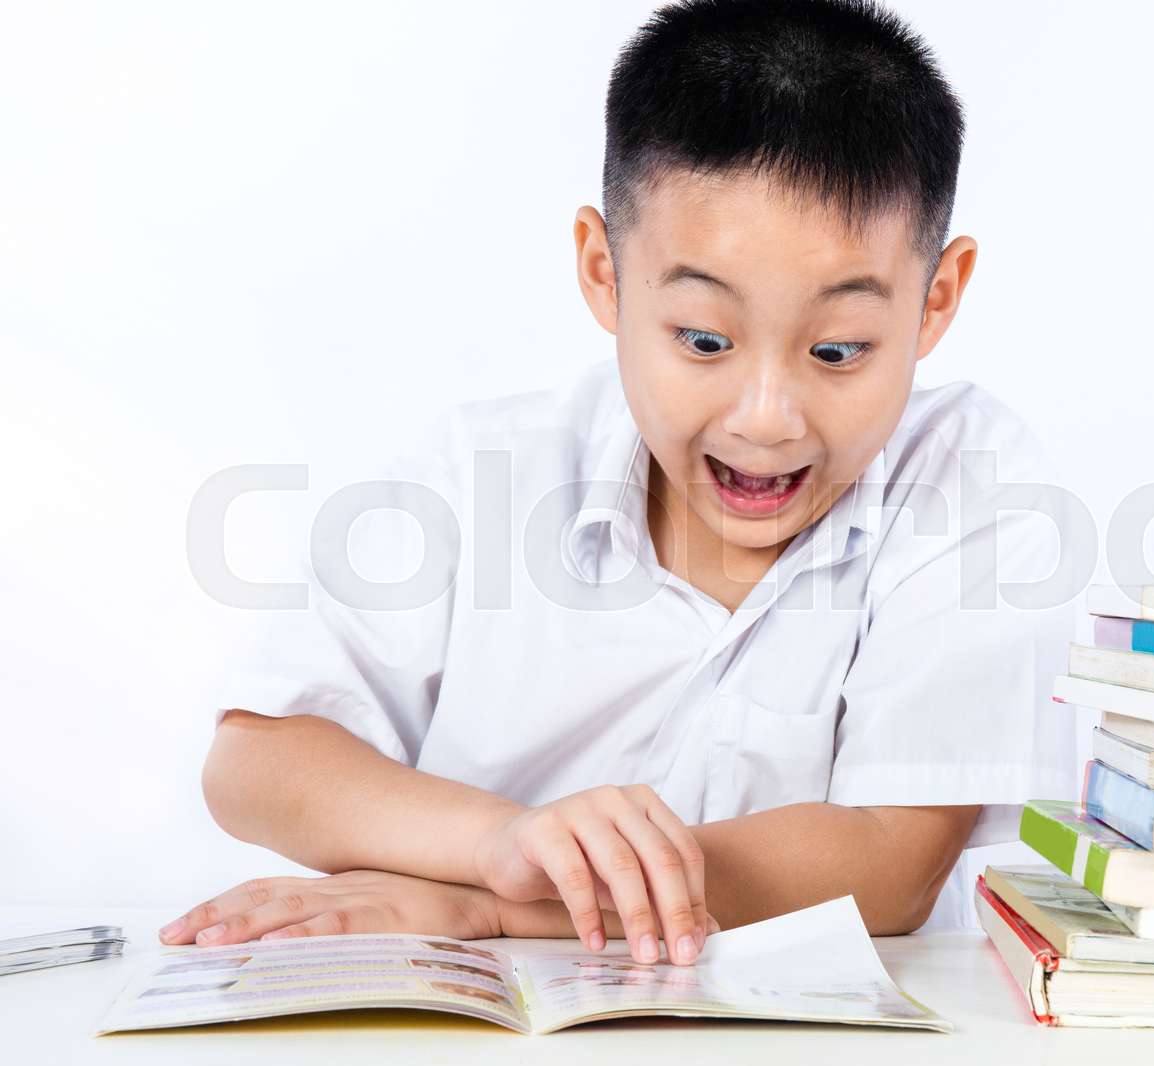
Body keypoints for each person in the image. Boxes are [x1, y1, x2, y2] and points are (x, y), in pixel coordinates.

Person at [160, 0, 1074, 967]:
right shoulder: (482, 470)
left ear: (936, 299)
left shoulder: (970, 478)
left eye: (838, 350)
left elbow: (893, 864)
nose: (767, 417)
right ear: (605, 272)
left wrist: (488, 909)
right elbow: (256, 756)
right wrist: (499, 845)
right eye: (705, 341)